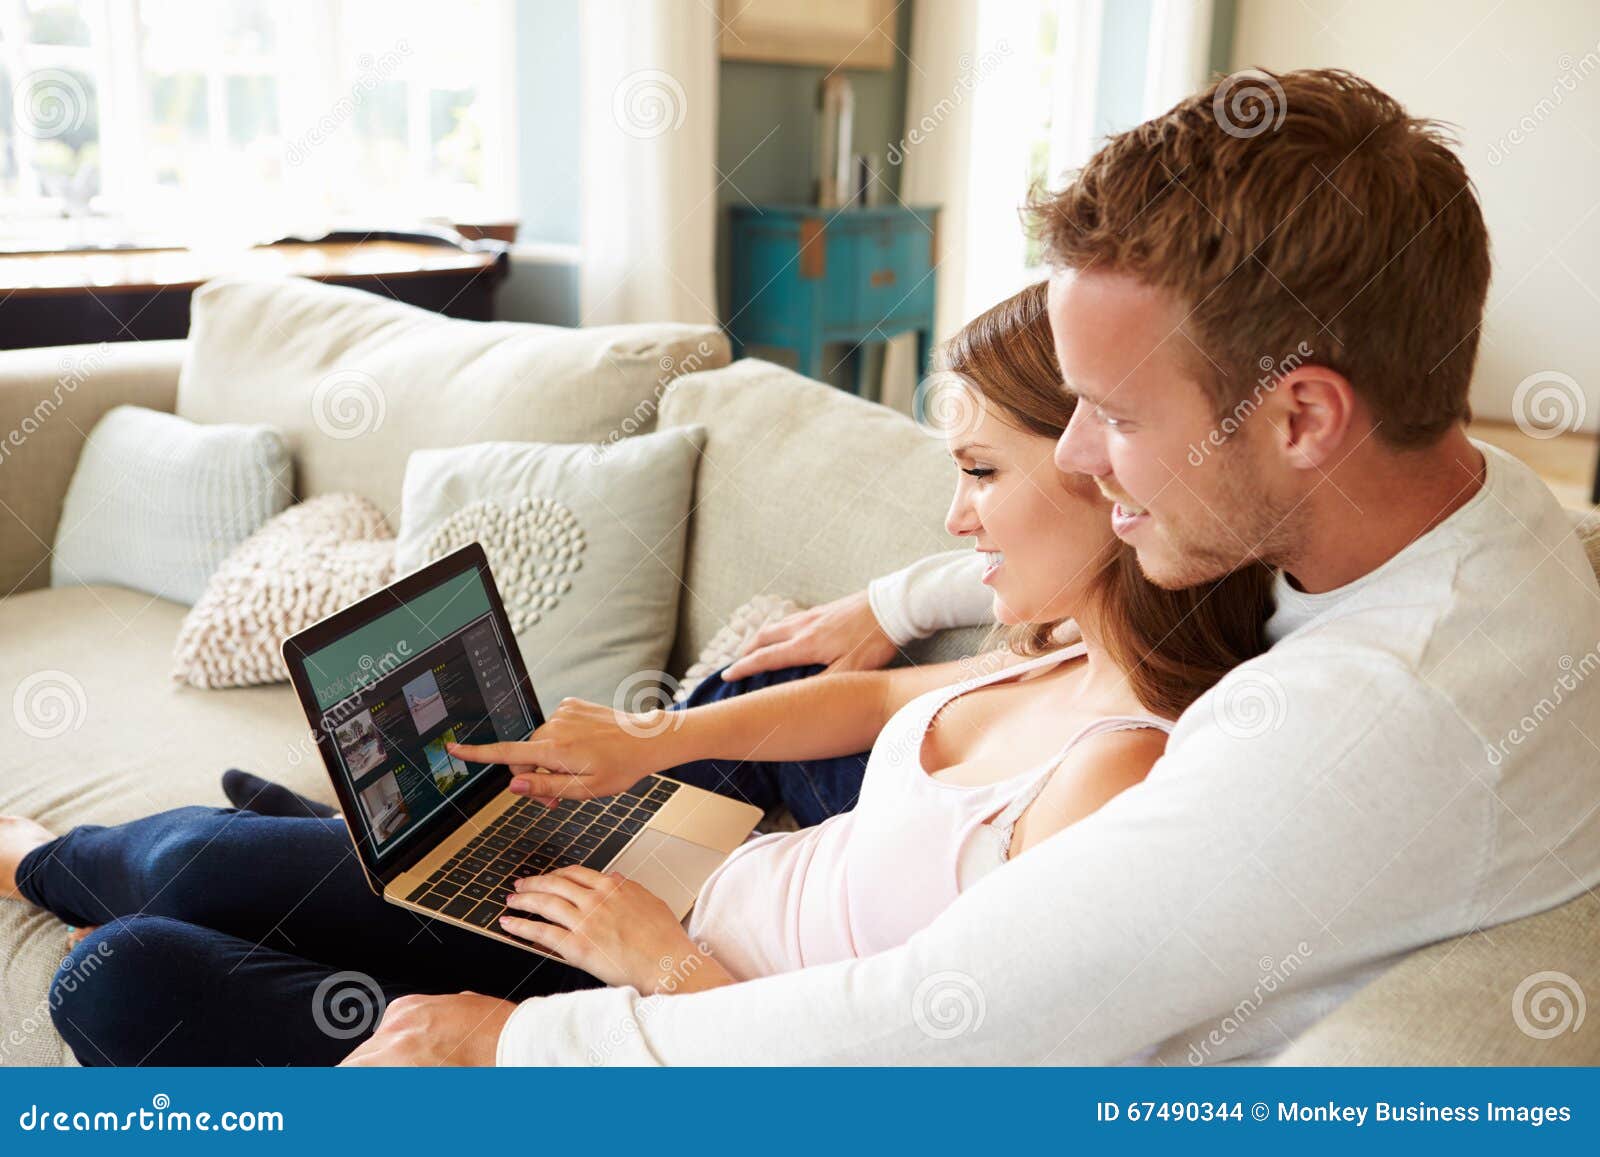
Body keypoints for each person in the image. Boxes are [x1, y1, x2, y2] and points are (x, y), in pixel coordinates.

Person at [343, 68, 1600, 1067]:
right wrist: (898, 599)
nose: (1080, 457)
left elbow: (949, 1017)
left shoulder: (1356, 727)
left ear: (1301, 416)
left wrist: (523, 1043)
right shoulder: (1465, 516)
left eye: (1113, 412)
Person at [0, 282, 1274, 1065]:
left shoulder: (1111, 780)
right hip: (665, 893)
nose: (954, 517)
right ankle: (61, 859)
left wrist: (655, 962)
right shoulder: (1053, 650)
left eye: (983, 473)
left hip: (653, 1010)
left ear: (1111, 474)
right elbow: (885, 696)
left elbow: (913, 1078)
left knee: (122, 973)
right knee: (201, 867)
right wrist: (644, 746)